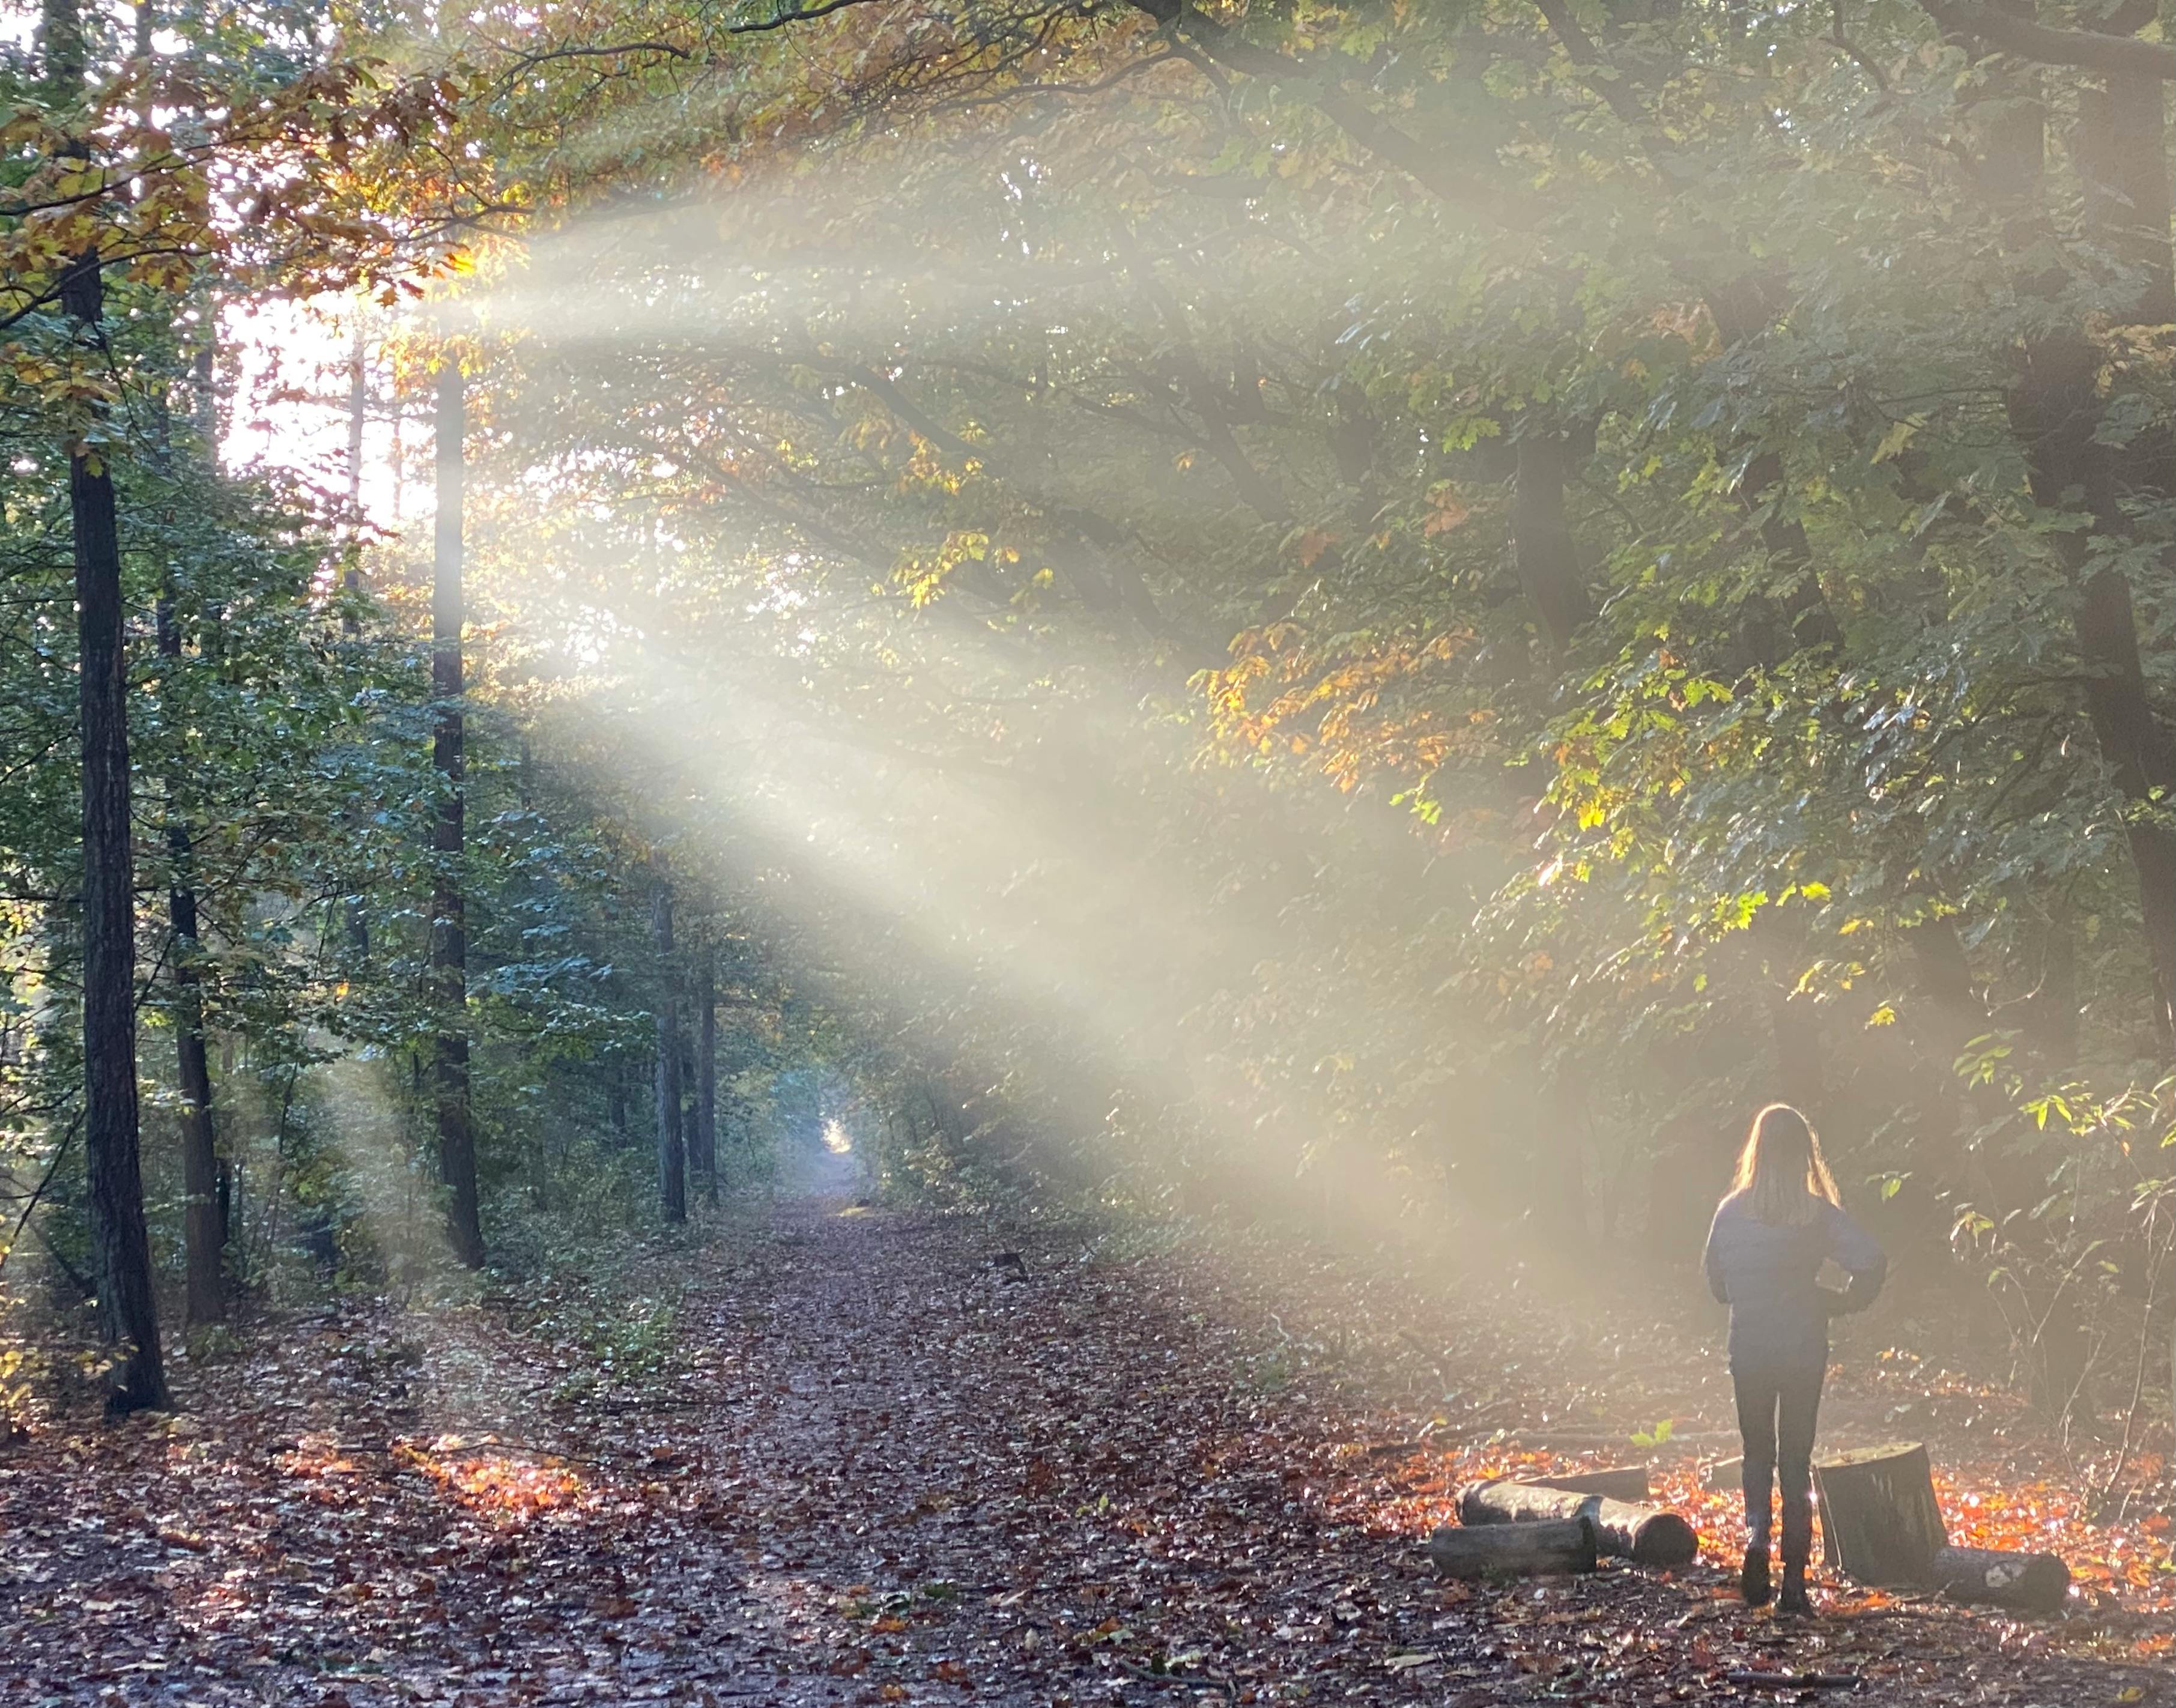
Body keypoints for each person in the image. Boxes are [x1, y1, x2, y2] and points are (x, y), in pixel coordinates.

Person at [1701, 1103, 1885, 1614]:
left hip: (1749, 1348)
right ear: (1804, 1154)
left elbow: (1716, 1286)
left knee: (1756, 1452)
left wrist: (1750, 1292)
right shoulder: (1815, 1215)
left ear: (1756, 1151)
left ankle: (1756, 1540)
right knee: (1795, 1459)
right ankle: (1794, 1583)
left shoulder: (1730, 1213)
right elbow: (1871, 1260)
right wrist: (1842, 1302)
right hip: (1802, 1349)